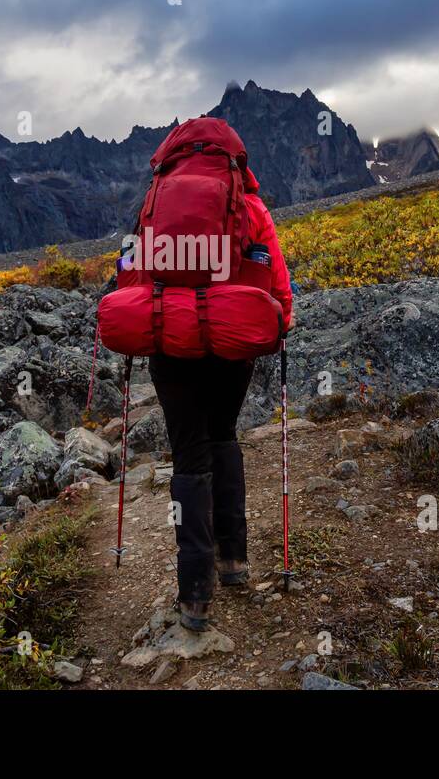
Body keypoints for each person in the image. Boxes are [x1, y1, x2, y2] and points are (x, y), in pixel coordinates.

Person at [145, 131, 293, 632]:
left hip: (170, 346)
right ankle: (234, 562)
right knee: (224, 435)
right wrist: (280, 324)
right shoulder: (251, 207)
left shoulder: (155, 200)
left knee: (189, 455)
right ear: (236, 158)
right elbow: (278, 286)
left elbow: (134, 276)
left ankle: (194, 595)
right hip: (231, 346)